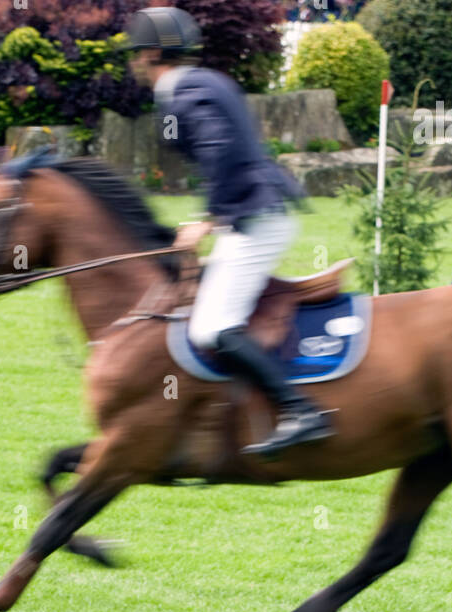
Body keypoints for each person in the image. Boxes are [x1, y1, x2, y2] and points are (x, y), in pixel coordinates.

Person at [126, 6, 336, 455]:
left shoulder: (187, 91)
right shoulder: (202, 82)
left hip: (255, 218)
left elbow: (219, 149)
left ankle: (301, 411)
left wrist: (209, 219)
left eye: (135, 55)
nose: (133, 63)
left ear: (149, 53)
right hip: (253, 212)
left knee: (212, 328)